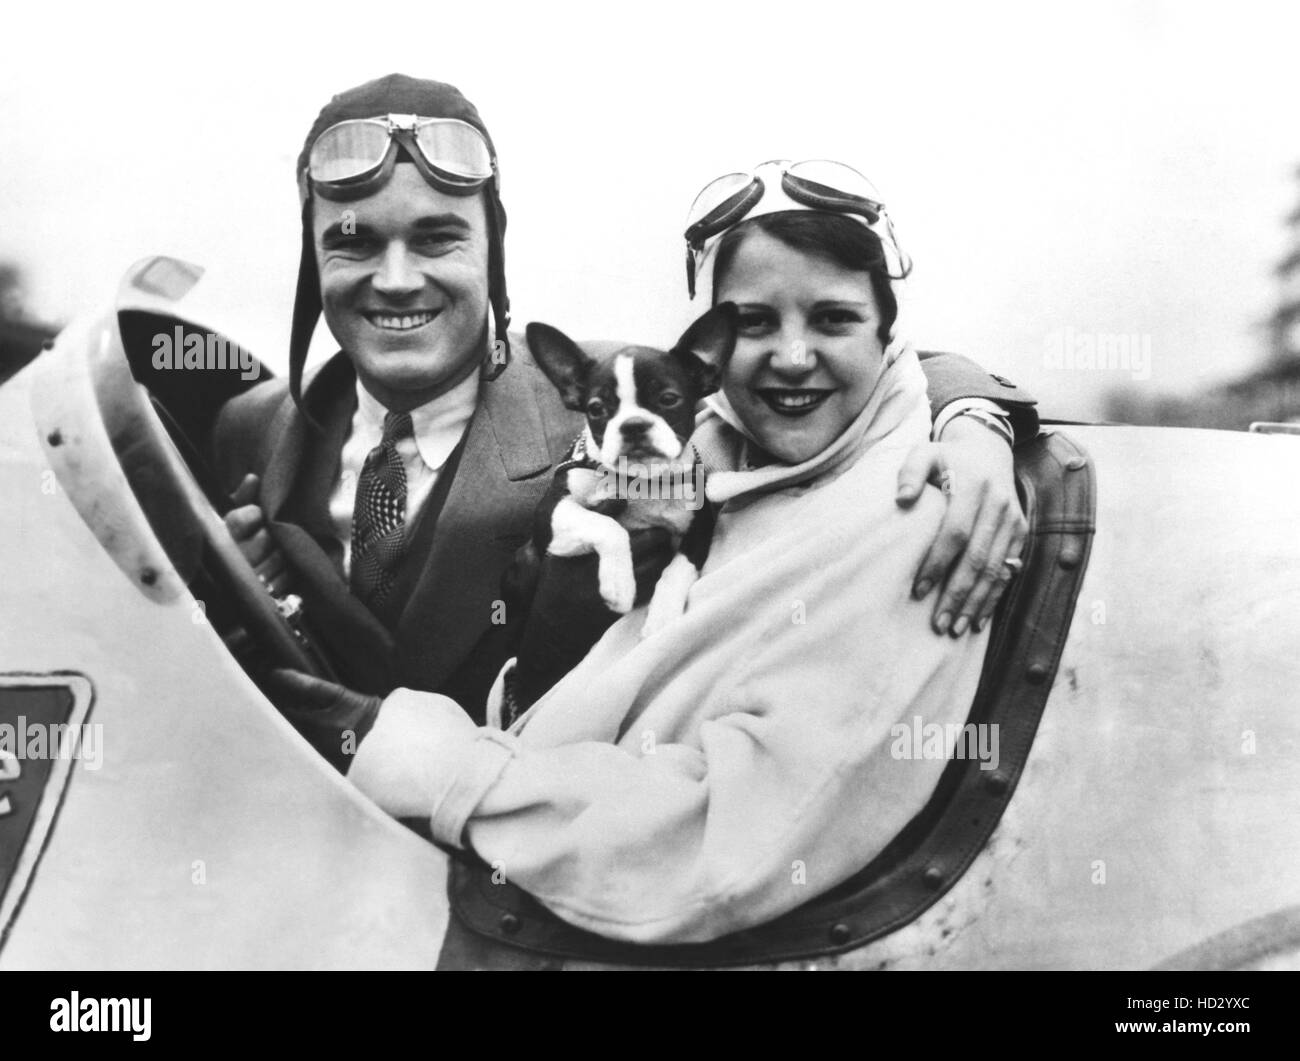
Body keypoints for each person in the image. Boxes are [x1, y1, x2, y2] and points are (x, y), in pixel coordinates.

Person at [214, 74, 1034, 735]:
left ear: (493, 247)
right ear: (310, 253)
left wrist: (976, 426)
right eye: (352, 239)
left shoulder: (610, 395)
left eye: (437, 237)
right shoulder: (249, 427)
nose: (396, 279)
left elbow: (825, 363)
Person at [344, 159, 994, 944]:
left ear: (888, 335)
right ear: (713, 351)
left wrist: (446, 768)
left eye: (833, 320)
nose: (790, 356)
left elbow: (720, 850)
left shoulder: (925, 516)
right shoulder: (725, 445)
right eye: (754, 322)